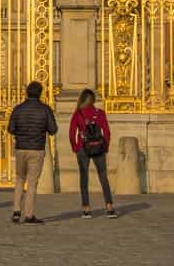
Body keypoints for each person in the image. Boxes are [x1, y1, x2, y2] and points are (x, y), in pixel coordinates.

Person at [7, 81, 57, 225]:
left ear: (27, 92)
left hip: (21, 148)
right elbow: (53, 130)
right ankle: (29, 215)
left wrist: (21, 133)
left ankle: (16, 211)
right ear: (40, 93)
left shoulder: (18, 109)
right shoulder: (45, 109)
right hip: (36, 149)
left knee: (19, 179)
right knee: (32, 183)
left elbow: (10, 128)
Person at [68, 89, 115, 219]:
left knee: (84, 178)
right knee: (103, 177)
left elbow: (72, 133)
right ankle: (109, 206)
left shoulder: (78, 113)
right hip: (99, 147)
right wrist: (105, 146)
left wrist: (75, 147)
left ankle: (86, 208)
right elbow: (107, 132)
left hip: (83, 147)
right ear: (93, 100)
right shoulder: (100, 113)